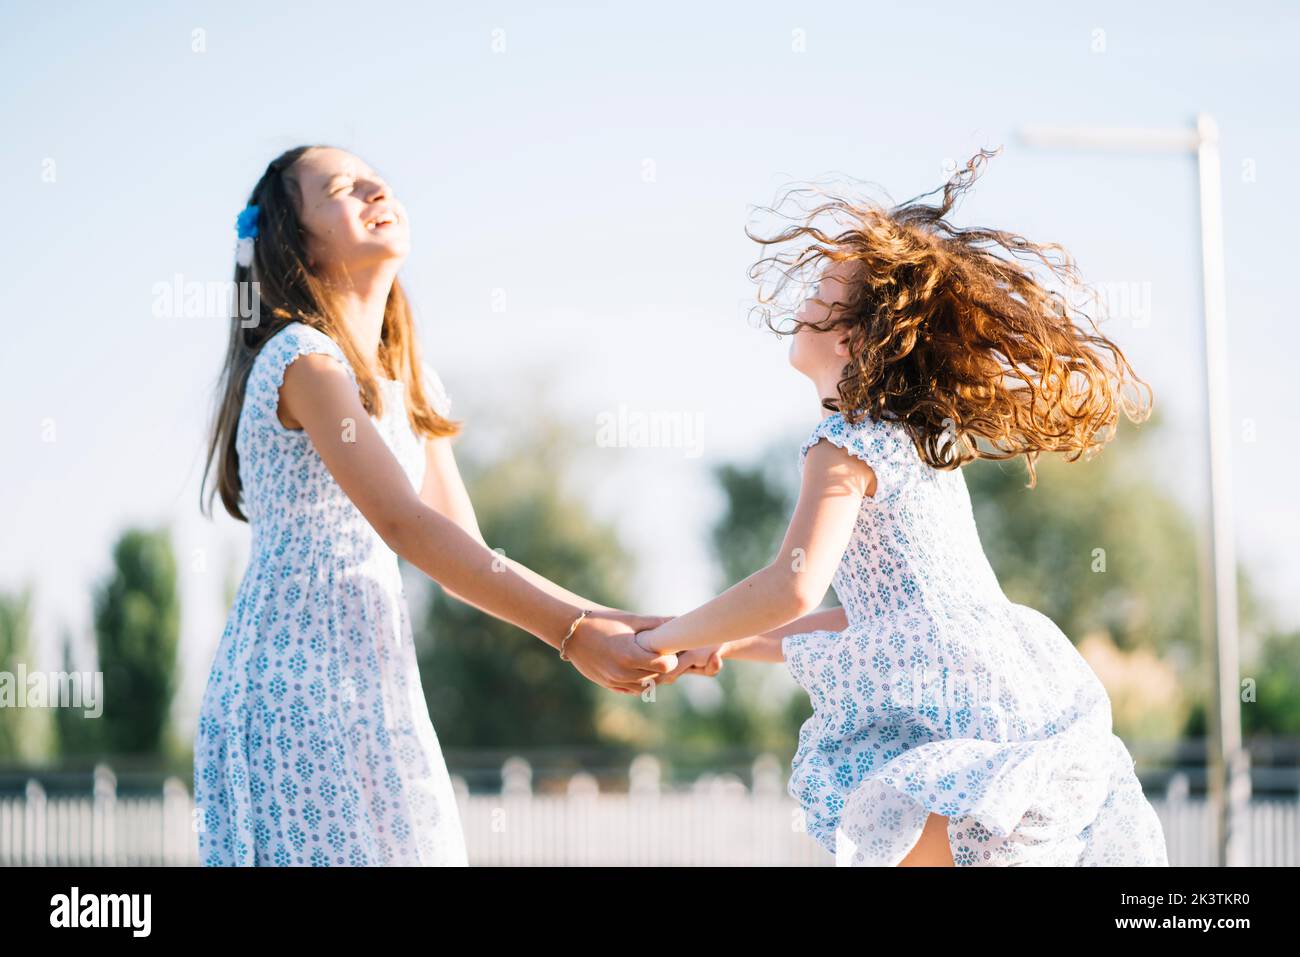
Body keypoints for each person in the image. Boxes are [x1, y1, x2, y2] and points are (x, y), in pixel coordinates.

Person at [644, 149, 1170, 867]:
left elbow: (791, 585)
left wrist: (662, 637)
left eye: (825, 283)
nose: (805, 292)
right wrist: (726, 641)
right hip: (996, 697)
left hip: (954, 713)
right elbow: (873, 622)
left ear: (853, 337)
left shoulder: (843, 441)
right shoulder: (912, 442)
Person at [195, 145, 675, 866]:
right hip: (291, 690)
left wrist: (614, 623)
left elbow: (463, 554)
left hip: (376, 682)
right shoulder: (304, 361)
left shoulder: (409, 383)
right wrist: (575, 634)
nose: (374, 187)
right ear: (297, 241)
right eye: (340, 188)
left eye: (372, 177)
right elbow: (404, 523)